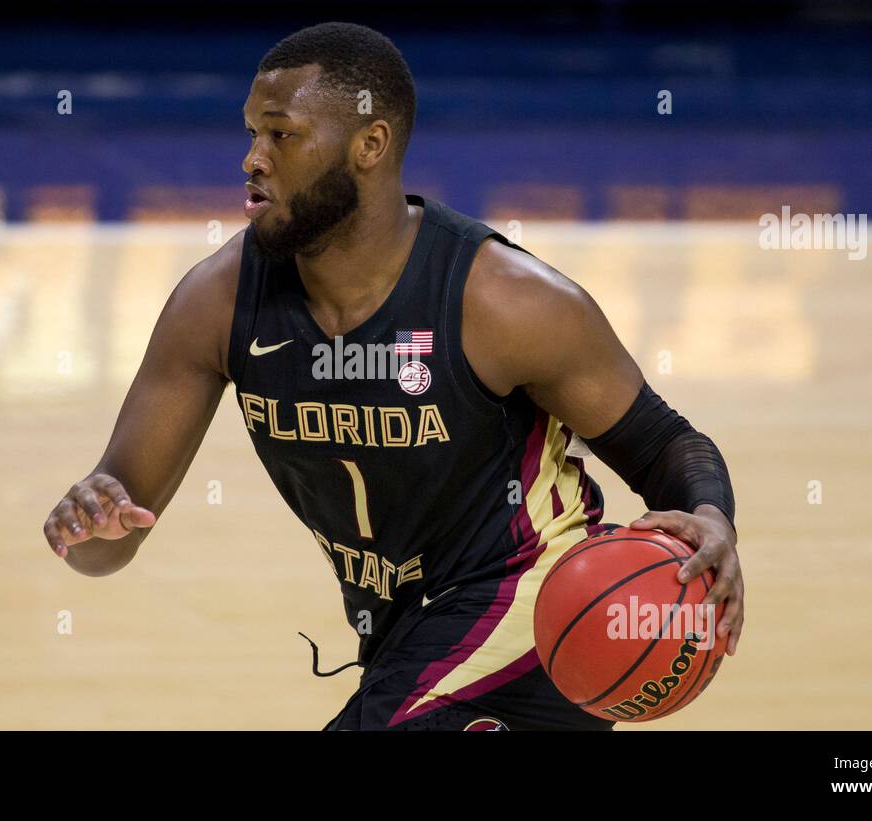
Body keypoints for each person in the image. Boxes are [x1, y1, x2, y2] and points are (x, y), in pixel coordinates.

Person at [41, 21, 743, 730]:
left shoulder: (504, 300)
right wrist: (89, 522)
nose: (253, 158)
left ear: (369, 145)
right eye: (251, 133)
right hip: (406, 633)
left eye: (280, 135)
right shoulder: (217, 301)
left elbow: (664, 445)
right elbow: (109, 544)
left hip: (533, 608)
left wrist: (712, 520)